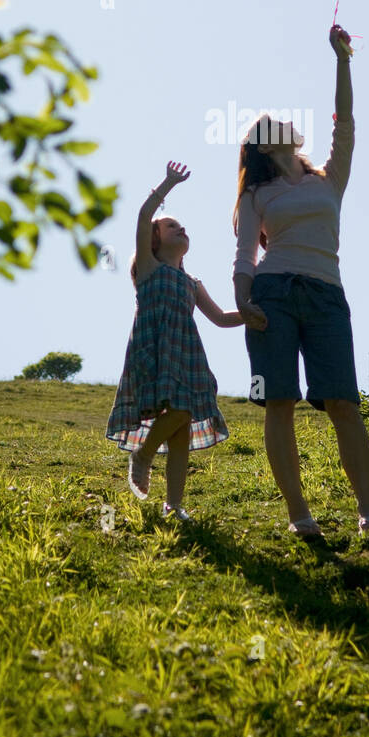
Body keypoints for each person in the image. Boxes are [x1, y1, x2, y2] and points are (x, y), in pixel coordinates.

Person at [232, 24, 369, 540]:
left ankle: (368, 513)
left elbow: (345, 123)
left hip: (326, 294)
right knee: (279, 402)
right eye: (271, 122)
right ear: (261, 144)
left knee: (343, 401)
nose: (282, 122)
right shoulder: (257, 193)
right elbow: (244, 254)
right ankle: (300, 516)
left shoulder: (329, 177)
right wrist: (243, 299)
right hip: (273, 295)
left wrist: (342, 60)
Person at [106, 160, 242, 521]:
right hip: (154, 350)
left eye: (182, 227)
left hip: (186, 355)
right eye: (171, 226)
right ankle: (144, 454)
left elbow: (222, 318)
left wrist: (255, 315)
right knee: (179, 413)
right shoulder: (150, 268)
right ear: (154, 239)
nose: (180, 228)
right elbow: (142, 216)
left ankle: (174, 504)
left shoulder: (192, 283)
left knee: (181, 429)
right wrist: (167, 185)